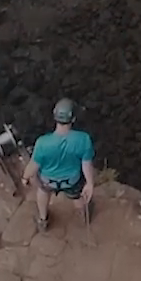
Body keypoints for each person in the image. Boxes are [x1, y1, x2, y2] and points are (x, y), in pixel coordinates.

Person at [21, 97, 95, 232]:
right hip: (71, 181)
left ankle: (43, 220)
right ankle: (83, 215)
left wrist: (25, 178)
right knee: (77, 197)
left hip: (48, 181)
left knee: (42, 193)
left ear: (55, 117)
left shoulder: (42, 142)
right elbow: (86, 165)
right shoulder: (83, 139)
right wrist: (89, 183)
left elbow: (33, 167)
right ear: (73, 119)